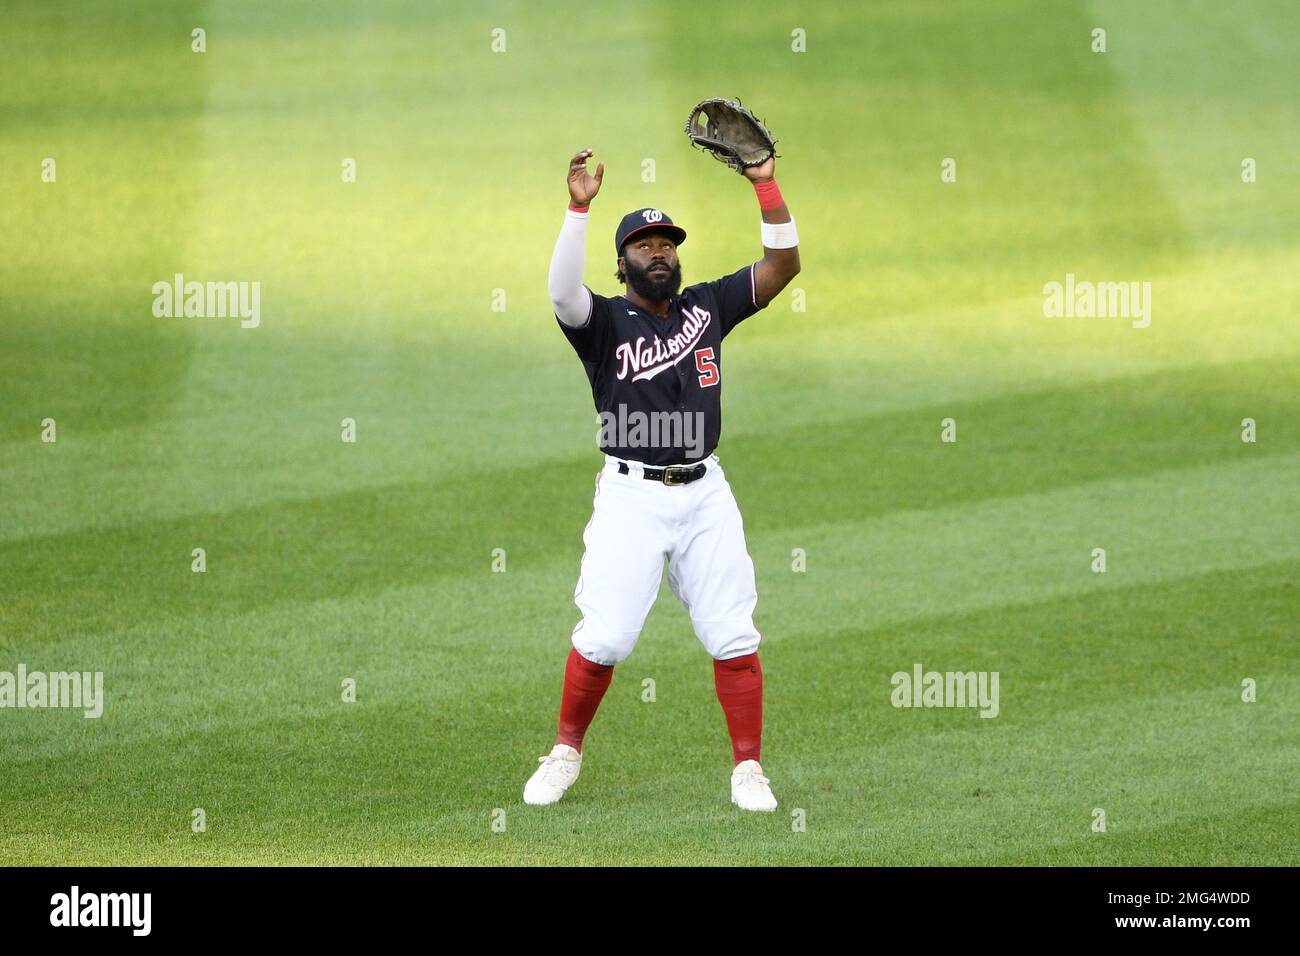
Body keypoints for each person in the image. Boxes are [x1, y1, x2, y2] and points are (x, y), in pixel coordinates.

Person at [525, 146, 800, 811]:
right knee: (606, 637)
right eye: (643, 245)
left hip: (706, 493)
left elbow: (782, 265)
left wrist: (765, 185)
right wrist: (578, 207)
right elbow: (562, 292)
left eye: (666, 244)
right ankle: (565, 752)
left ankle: (748, 769)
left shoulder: (708, 307)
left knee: (733, 632)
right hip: (630, 497)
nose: (658, 253)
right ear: (620, 262)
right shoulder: (603, 325)